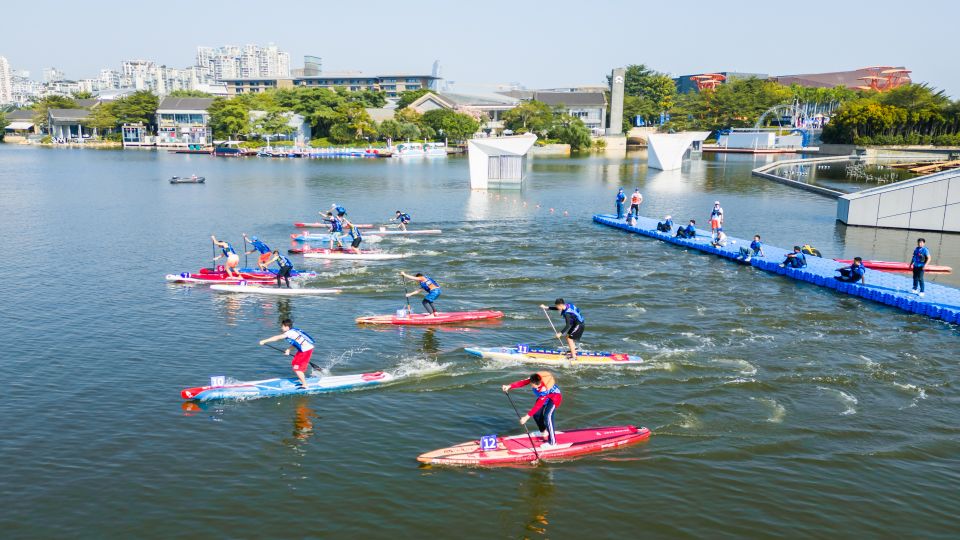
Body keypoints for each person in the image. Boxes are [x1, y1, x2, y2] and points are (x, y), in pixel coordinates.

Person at [502, 372, 562, 448]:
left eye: (532, 385)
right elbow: (522, 382)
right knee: (536, 414)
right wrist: (509, 386)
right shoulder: (533, 380)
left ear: (538, 384)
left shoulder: (544, 389)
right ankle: (544, 432)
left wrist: (526, 417)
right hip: (545, 397)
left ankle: (552, 442)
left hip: (554, 398)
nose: (531, 385)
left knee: (547, 417)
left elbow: (538, 405)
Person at [259, 319, 314, 388]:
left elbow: (277, 338)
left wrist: (264, 341)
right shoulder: (294, 331)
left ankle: (305, 385)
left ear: (287, 327)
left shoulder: (289, 333)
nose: (281, 328)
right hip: (303, 350)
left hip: (305, 351)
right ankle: (301, 378)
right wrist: (289, 350)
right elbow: (296, 342)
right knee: (294, 363)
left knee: (297, 368)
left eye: (282, 326)